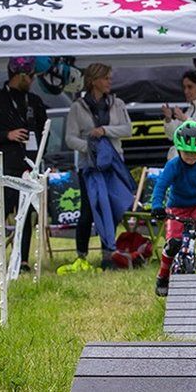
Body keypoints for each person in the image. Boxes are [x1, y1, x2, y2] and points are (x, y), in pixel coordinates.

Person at [0, 57, 49, 276]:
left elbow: (44, 131)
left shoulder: (34, 101)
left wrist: (39, 156)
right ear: (20, 76)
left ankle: (24, 260)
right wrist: (6, 135)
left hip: (29, 165)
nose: (33, 80)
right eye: (31, 76)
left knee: (26, 214)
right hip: (6, 164)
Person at [59, 63, 134, 273]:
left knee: (111, 209)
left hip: (113, 166)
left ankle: (108, 255)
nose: (110, 81)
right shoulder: (77, 107)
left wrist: (105, 131)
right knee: (88, 210)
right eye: (106, 78)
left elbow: (127, 129)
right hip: (89, 167)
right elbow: (70, 138)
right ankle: (81, 256)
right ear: (94, 81)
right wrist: (90, 148)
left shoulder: (117, 104)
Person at [151, 121, 196, 296]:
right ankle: (163, 276)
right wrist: (157, 206)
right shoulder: (173, 165)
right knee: (173, 245)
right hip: (177, 208)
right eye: (187, 153)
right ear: (179, 150)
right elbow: (160, 186)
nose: (191, 157)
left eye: (195, 153)